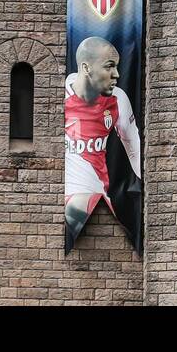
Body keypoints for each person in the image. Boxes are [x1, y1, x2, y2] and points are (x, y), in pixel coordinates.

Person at [65, 37, 142, 241]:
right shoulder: (60, 94)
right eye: (109, 67)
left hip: (98, 195)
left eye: (116, 67)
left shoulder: (118, 99)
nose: (117, 74)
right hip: (68, 197)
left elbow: (135, 151)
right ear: (86, 68)